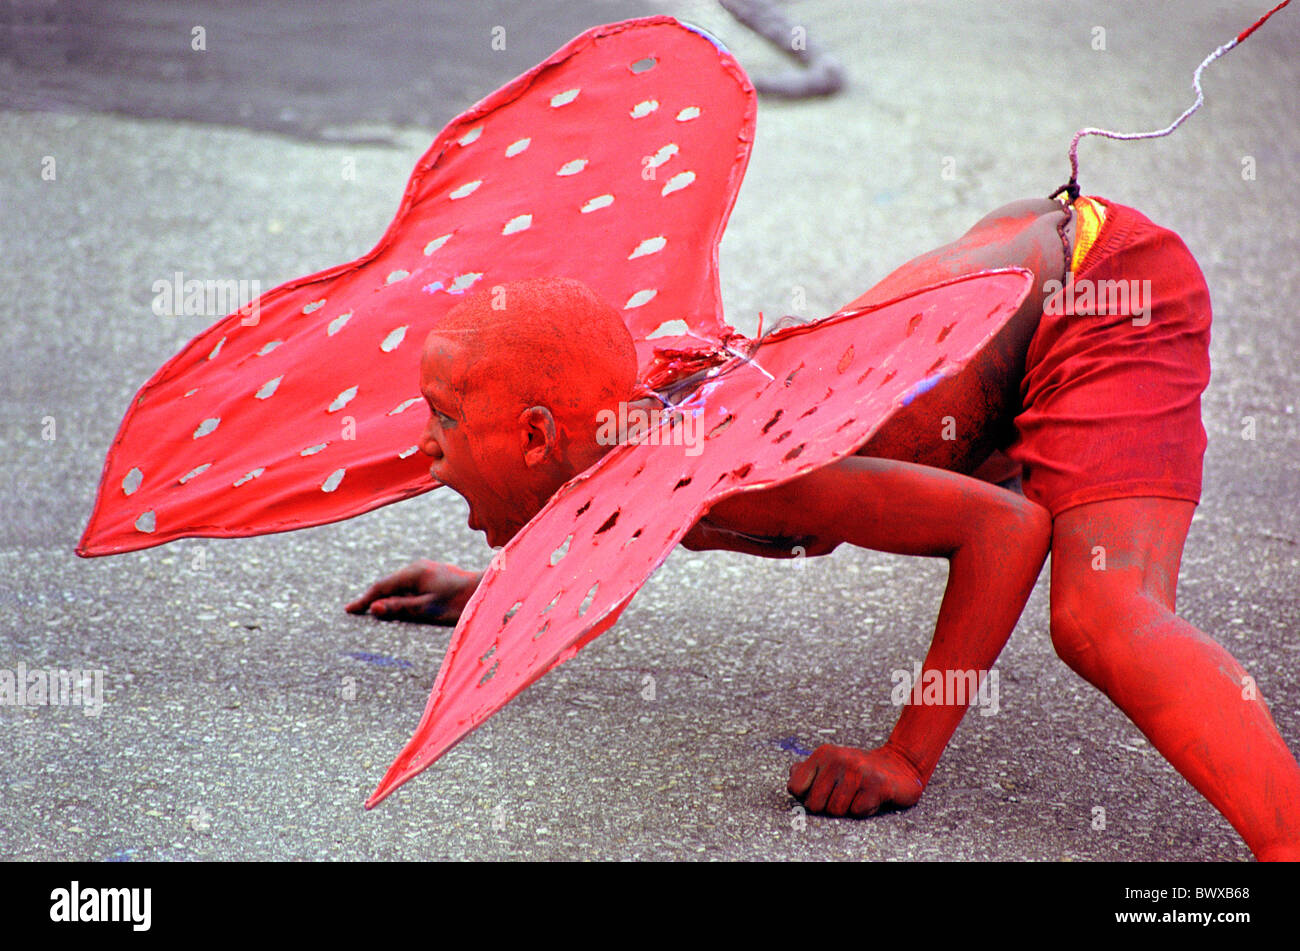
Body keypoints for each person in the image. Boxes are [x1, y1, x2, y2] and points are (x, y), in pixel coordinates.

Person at [346, 195, 1300, 860]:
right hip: (1013, 282)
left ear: (536, 434)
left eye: (442, 418)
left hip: (1102, 298)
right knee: (950, 453)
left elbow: (1004, 532)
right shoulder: (621, 423)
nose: (426, 446)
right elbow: (593, 509)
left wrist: (905, 758)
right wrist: (499, 588)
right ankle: (1006, 432)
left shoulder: (731, 474)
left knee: (1103, 618)